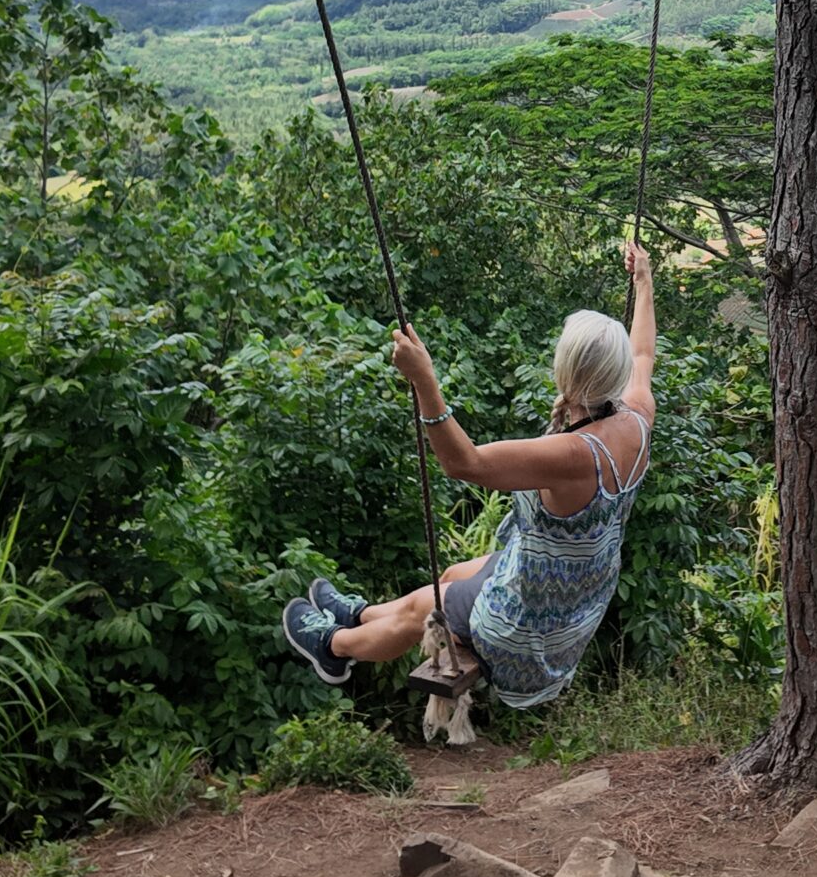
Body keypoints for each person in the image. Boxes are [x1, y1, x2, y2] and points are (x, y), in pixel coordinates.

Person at [281, 241, 658, 709]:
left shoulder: (573, 454)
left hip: (530, 629)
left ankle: (332, 648)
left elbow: (465, 463)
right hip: (574, 599)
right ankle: (359, 614)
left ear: (565, 371)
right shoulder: (639, 418)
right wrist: (644, 281)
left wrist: (425, 381)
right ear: (612, 375)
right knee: (454, 574)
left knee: (429, 608)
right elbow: (644, 356)